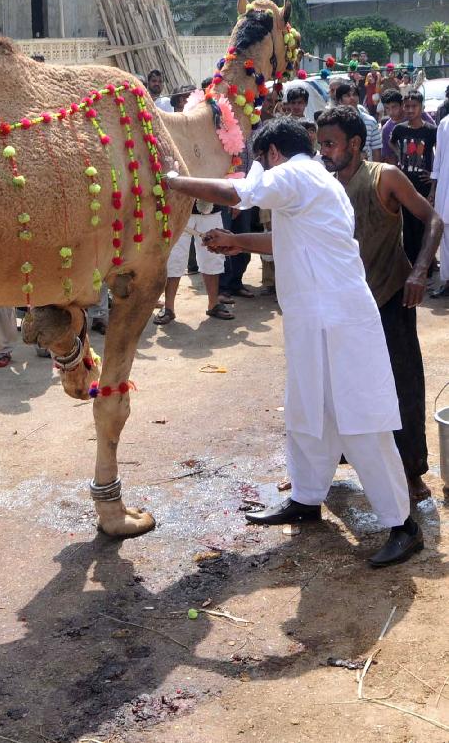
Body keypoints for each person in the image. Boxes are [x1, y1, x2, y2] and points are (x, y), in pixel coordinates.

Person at [172, 116, 420, 567]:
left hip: (341, 321)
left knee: (361, 421)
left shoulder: (297, 173)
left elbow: (237, 193)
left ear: (273, 154)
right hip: (313, 320)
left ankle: (403, 525)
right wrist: (237, 240)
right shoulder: (311, 183)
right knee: (309, 412)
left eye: (261, 161)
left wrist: (173, 181)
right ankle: (306, 498)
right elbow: (283, 237)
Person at [318, 106, 442, 503]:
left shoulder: (384, 176)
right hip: (348, 303)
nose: (324, 152)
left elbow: (433, 220)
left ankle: (411, 472)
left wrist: (419, 271)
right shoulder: (326, 186)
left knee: (402, 385)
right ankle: (331, 464)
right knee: (343, 384)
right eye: (321, 144)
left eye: (331, 144)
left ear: (355, 143)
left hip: (391, 296)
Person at [153, 200, 232, 325]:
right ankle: (168, 308)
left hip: (211, 209)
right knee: (174, 258)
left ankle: (213, 304)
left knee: (212, 257)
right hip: (178, 208)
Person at [390, 91, 437, 267]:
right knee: (408, 225)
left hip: (423, 183)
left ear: (422, 107)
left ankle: (427, 264)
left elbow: (439, 155)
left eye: (414, 106)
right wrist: (400, 155)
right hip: (405, 183)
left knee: (424, 224)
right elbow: (392, 142)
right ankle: (410, 264)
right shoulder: (399, 129)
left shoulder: (431, 131)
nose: (410, 110)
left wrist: (433, 179)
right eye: (407, 106)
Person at [334, 82, 381, 161]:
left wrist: (376, 168)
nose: (352, 98)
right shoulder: (334, 122)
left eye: (355, 94)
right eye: (347, 95)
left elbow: (376, 149)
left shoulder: (370, 121)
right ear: (339, 100)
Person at [432, 112, 449, 296]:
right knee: (446, 239)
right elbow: (439, 158)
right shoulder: (445, 123)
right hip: (446, 189)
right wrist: (434, 188)